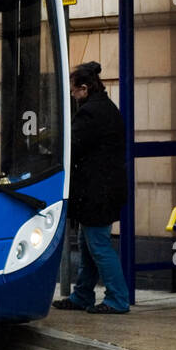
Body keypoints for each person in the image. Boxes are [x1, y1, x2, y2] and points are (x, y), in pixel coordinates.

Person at [53, 61, 130, 314]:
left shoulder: (91, 113)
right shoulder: (105, 108)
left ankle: (117, 299)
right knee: (87, 245)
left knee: (98, 246)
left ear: (84, 89)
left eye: (74, 91)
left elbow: (72, 146)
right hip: (102, 190)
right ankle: (82, 295)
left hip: (97, 193)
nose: (73, 95)